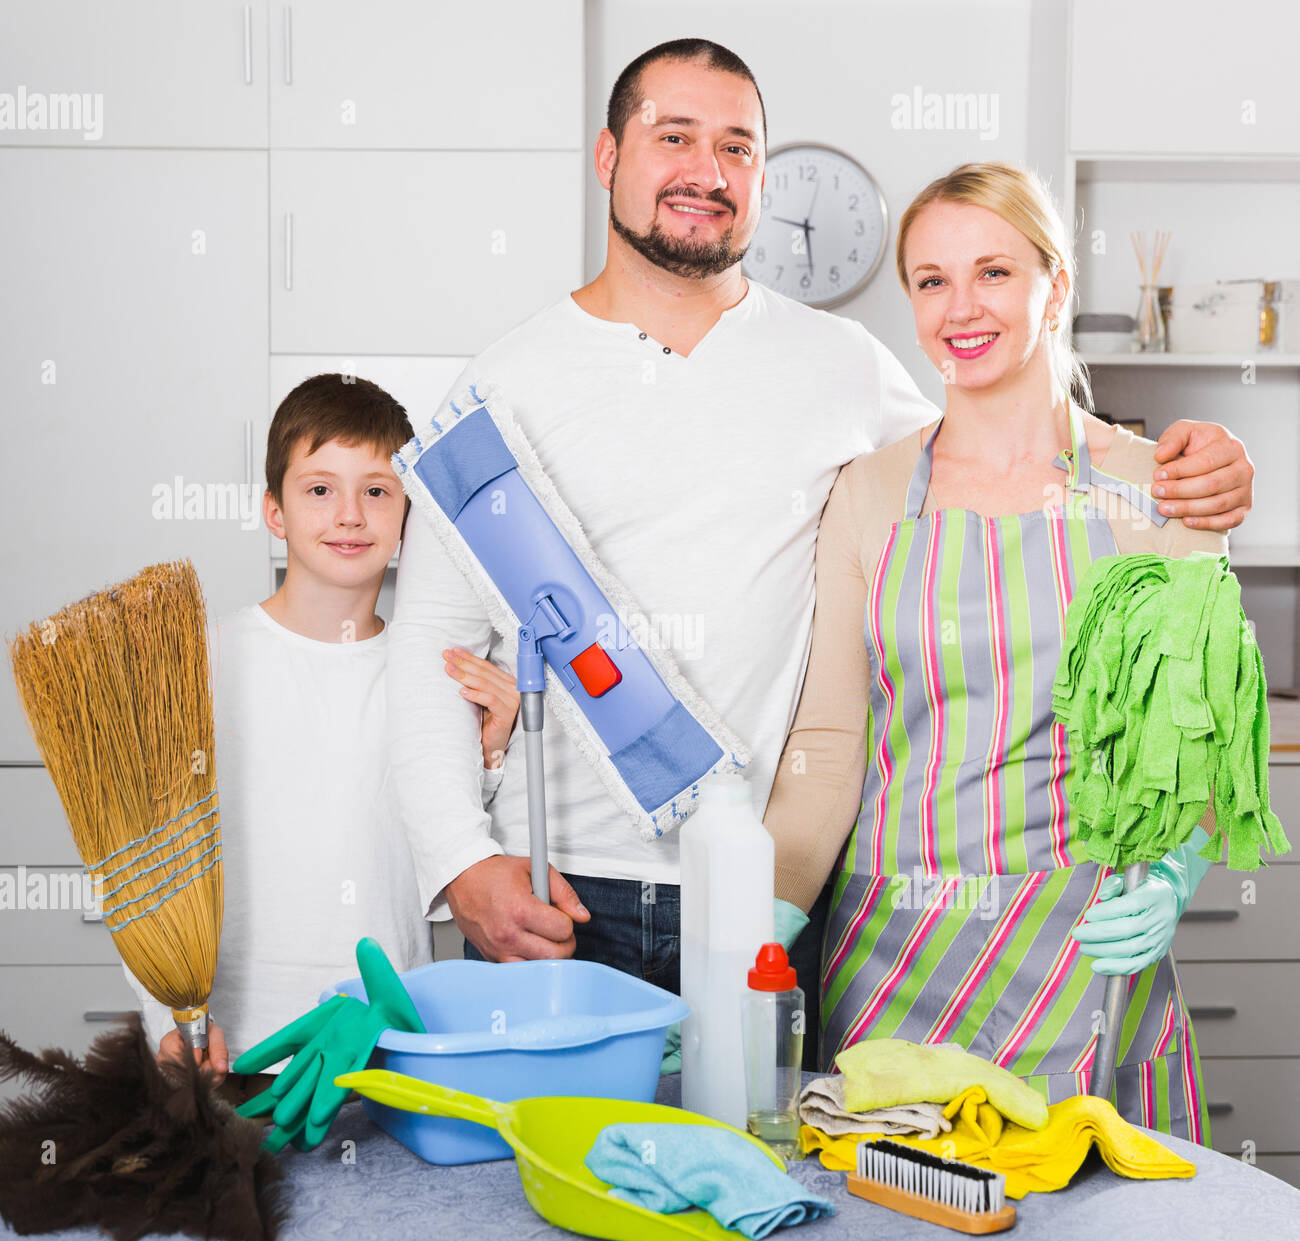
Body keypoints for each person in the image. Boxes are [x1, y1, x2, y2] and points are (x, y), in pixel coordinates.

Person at [388, 40, 1255, 1029]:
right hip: (563, 895)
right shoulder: (508, 382)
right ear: (607, 157)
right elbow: (427, 645)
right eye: (674, 136)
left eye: (737, 148)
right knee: (553, 1182)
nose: (706, 173)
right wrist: (461, 859)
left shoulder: (841, 367)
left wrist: (1196, 464)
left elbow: (1002, 456)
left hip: (787, 887)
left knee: (783, 1170)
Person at [762, 162, 1222, 1141]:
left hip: (1082, 944)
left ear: (1055, 286)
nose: (959, 308)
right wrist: (772, 907)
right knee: (890, 1225)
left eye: (993, 273)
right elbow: (833, 737)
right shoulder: (871, 491)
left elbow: (1192, 733)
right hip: (893, 950)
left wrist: (1176, 869)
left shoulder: (1158, 490)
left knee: (1090, 1234)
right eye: (930, 280)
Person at [124, 375, 518, 1086]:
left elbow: (449, 858)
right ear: (274, 512)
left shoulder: (437, 677)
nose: (349, 515)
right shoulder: (198, 661)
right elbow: (141, 872)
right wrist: (169, 1022)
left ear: (408, 518)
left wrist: (491, 748)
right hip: (231, 1043)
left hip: (384, 1045)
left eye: (376, 490)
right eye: (318, 490)